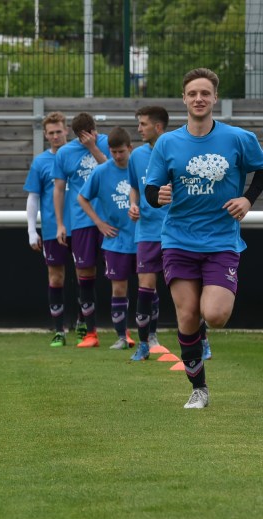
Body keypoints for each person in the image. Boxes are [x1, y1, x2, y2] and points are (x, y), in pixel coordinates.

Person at [145, 67, 263, 408]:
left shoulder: (238, 138)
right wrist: (158, 197)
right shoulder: (167, 142)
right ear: (184, 99)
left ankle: (205, 330)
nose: (199, 98)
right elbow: (152, 189)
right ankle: (199, 389)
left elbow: (261, 170)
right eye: (193, 93)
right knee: (185, 317)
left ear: (214, 98)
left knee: (214, 315)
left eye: (205, 93)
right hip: (178, 240)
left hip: (221, 242)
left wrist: (247, 199)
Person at [53, 112, 111, 348]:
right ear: (78, 135)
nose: (93, 136)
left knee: (120, 275)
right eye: (88, 135)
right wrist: (60, 223)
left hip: (110, 220)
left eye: (94, 131)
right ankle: (90, 333)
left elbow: (113, 171)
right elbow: (59, 189)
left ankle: (123, 332)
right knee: (84, 275)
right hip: (82, 222)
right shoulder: (65, 153)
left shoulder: (107, 143)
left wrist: (94, 147)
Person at [78, 127, 137, 349]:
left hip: (141, 237)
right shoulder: (101, 172)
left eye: (121, 151)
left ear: (130, 148)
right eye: (113, 151)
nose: (117, 156)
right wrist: (99, 222)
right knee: (119, 289)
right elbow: (82, 198)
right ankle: (122, 337)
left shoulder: (141, 167)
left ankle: (150, 337)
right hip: (115, 240)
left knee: (146, 287)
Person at [127, 106, 173, 361]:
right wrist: (132, 205)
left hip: (175, 232)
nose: (139, 128)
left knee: (186, 289)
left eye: (143, 124)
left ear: (157, 127)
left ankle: (202, 342)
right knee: (145, 287)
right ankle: (144, 344)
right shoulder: (136, 156)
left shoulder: (178, 150)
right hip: (146, 231)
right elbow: (135, 188)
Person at [23, 112, 72, 347]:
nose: (55, 136)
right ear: (45, 135)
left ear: (67, 131)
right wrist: (32, 230)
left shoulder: (79, 156)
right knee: (56, 277)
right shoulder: (40, 162)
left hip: (83, 227)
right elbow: (33, 197)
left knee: (87, 276)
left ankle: (85, 326)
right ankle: (59, 330)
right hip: (53, 229)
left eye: (58, 131)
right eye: (50, 133)